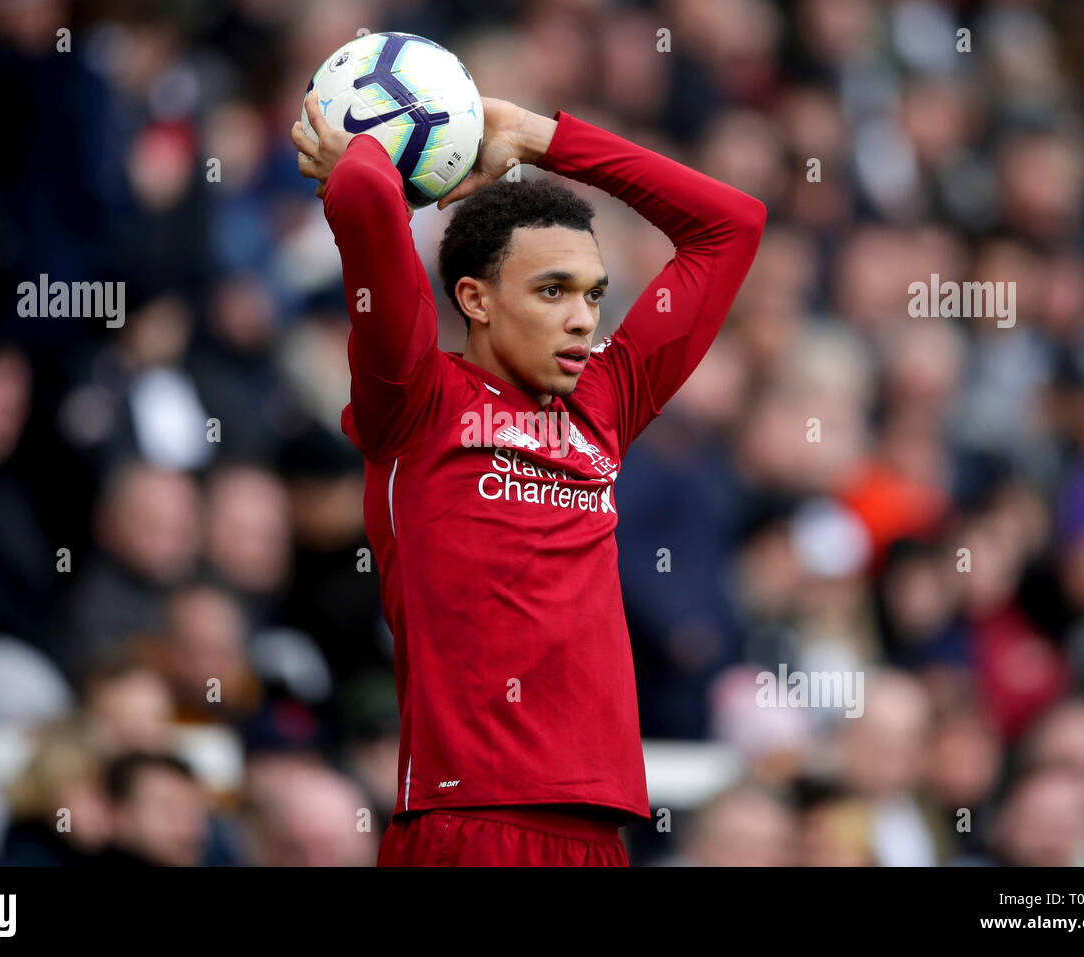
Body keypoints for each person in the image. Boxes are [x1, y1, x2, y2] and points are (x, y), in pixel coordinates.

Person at [291, 73, 766, 866]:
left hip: (599, 832)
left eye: (593, 294)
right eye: (552, 290)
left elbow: (732, 224)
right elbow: (371, 203)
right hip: (467, 825)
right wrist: (367, 156)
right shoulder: (413, 399)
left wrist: (539, 136)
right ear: (474, 299)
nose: (584, 317)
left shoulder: (606, 399)